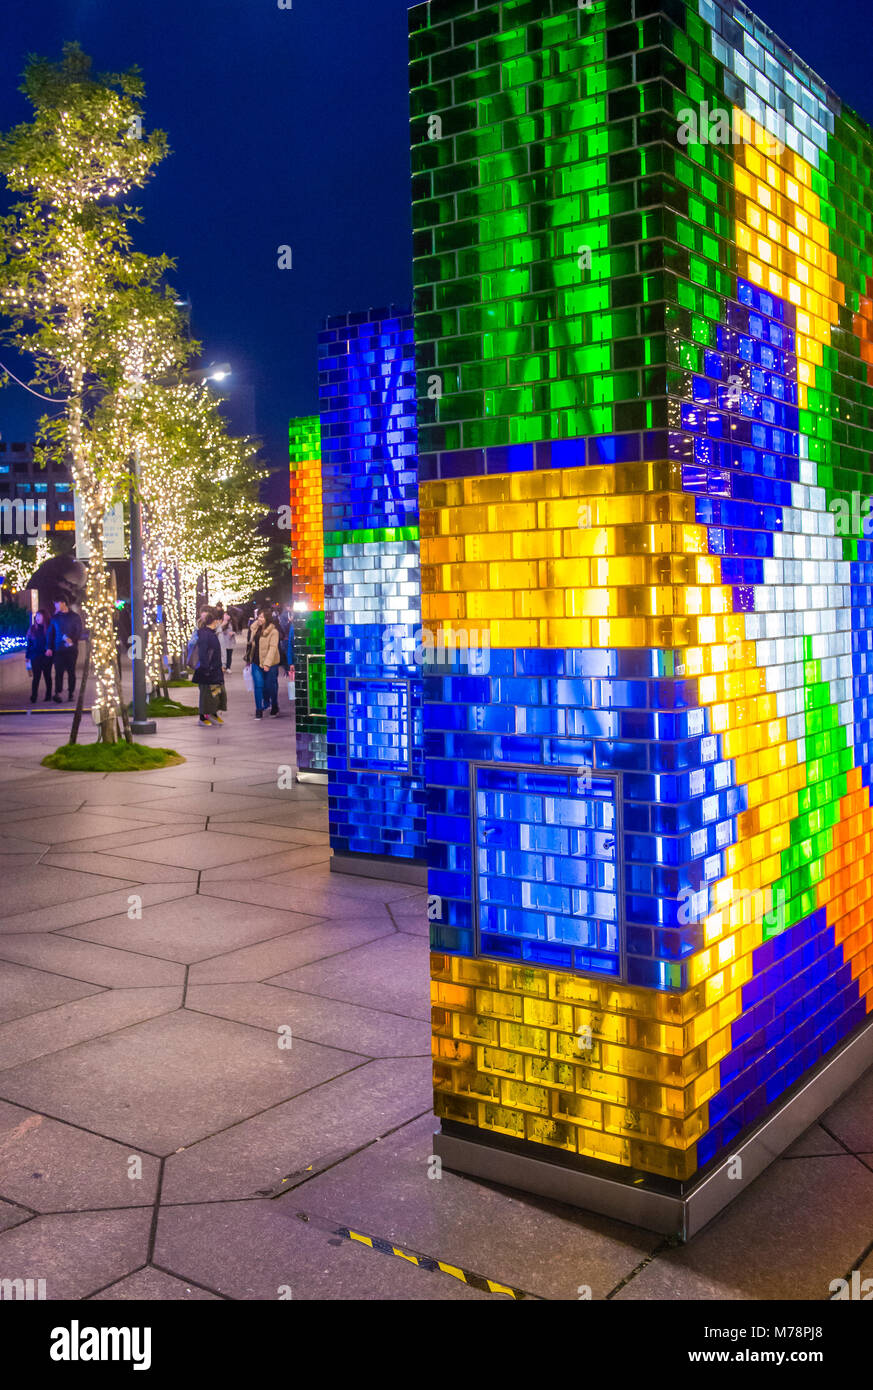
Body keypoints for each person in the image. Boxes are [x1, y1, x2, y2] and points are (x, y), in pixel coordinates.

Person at [192, 608, 226, 727]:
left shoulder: (210, 633)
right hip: (207, 671)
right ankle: (203, 717)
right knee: (206, 695)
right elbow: (203, 653)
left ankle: (213, 714)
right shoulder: (204, 634)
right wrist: (206, 668)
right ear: (215, 621)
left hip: (214, 670)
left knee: (216, 693)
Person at [245, 606, 281, 718]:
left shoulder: (274, 632)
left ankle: (274, 705)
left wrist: (267, 663)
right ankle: (258, 709)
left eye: (262, 617)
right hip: (256, 661)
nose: (259, 619)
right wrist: (248, 659)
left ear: (267, 618)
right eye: (259, 616)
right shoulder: (255, 628)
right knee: (258, 685)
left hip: (270, 663)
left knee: (270, 686)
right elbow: (250, 644)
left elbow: (273, 648)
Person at [45, 598, 84, 703]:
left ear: (63, 603)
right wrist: (48, 647)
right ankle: (58, 692)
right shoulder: (55, 618)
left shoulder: (74, 617)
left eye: (57, 603)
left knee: (71, 671)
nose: (55, 606)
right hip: (58, 649)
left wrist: (73, 639)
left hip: (71, 649)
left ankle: (71, 693)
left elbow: (79, 631)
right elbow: (50, 633)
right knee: (58, 671)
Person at [25, 610, 52, 704]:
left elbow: (51, 641)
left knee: (47, 676)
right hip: (35, 656)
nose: (37, 618)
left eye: (39, 616)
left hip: (46, 656)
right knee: (36, 677)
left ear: (44, 617)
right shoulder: (32, 629)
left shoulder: (49, 628)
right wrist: (27, 656)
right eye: (36, 616)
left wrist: (50, 649)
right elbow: (29, 644)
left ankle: (48, 695)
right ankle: (34, 696)